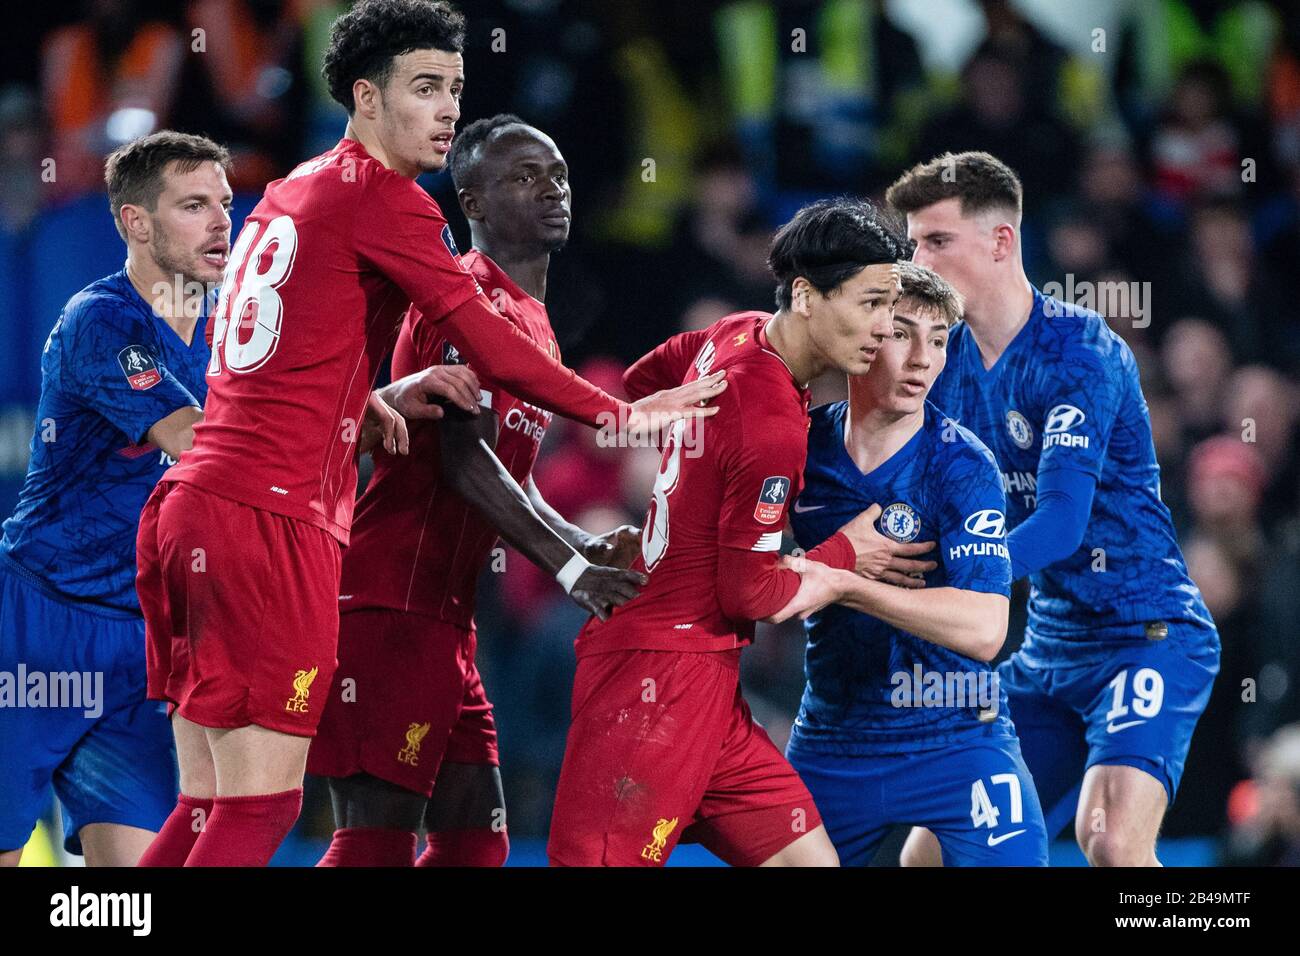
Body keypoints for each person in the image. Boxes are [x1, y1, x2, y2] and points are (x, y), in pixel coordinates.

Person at [134, 0, 718, 868]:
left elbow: (265, 367)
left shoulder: (289, 192)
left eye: (454, 87)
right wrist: (624, 415)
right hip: (276, 525)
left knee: (214, 806)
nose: (447, 109)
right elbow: (485, 358)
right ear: (367, 98)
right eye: (426, 88)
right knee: (264, 813)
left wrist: (379, 397)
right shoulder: (393, 206)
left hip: (196, 508)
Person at [308, 115, 647, 867]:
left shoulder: (535, 323)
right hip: (390, 606)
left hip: (447, 619)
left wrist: (583, 540)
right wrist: (570, 567)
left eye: (557, 172)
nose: (552, 188)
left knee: (474, 845)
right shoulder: (464, 300)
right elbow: (464, 463)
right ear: (474, 202)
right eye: (524, 176)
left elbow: (506, 474)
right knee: (373, 844)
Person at [547, 198, 915, 867]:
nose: (884, 328)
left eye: (890, 306)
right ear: (806, 295)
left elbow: (637, 386)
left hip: (705, 678)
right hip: (655, 677)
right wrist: (845, 555)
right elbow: (752, 594)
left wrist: (677, 496)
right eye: (869, 304)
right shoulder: (770, 423)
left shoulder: (734, 332)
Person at [887, 151, 1219, 867]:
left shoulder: (1080, 353)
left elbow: (1064, 524)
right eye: (911, 242)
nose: (915, 259)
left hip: (1146, 635)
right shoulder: (940, 364)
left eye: (936, 240)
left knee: (1112, 844)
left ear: (1001, 242)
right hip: (1049, 649)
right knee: (933, 855)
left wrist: (955, 576)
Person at [0, 131, 229, 866]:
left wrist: (377, 403)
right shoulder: (100, 319)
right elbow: (197, 443)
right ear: (135, 222)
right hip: (35, 626)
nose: (222, 221)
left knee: (128, 895)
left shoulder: (234, 329)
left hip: (139, 642)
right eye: (194, 205)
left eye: (225, 203)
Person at [781, 261, 1048, 866]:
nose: (923, 358)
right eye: (902, 333)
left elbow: (985, 629)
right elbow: (743, 570)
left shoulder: (962, 466)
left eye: (938, 340)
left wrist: (845, 584)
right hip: (834, 742)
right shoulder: (800, 446)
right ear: (863, 338)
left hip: (958, 738)